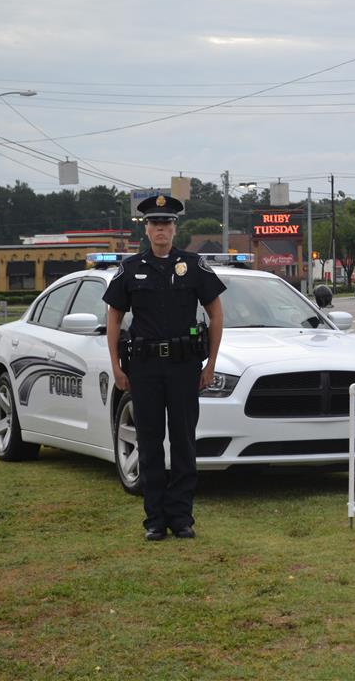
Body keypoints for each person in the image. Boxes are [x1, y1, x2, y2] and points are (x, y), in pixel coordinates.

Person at [103, 195, 225, 541]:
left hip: (184, 367)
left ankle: (182, 517)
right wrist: (116, 366)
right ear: (146, 229)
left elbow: (216, 314)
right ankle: (155, 519)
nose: (161, 229)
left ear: (175, 228)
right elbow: (114, 319)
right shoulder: (130, 269)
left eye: (166, 223)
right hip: (144, 369)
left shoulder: (193, 266)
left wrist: (211, 364)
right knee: (150, 441)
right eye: (155, 223)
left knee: (184, 441)